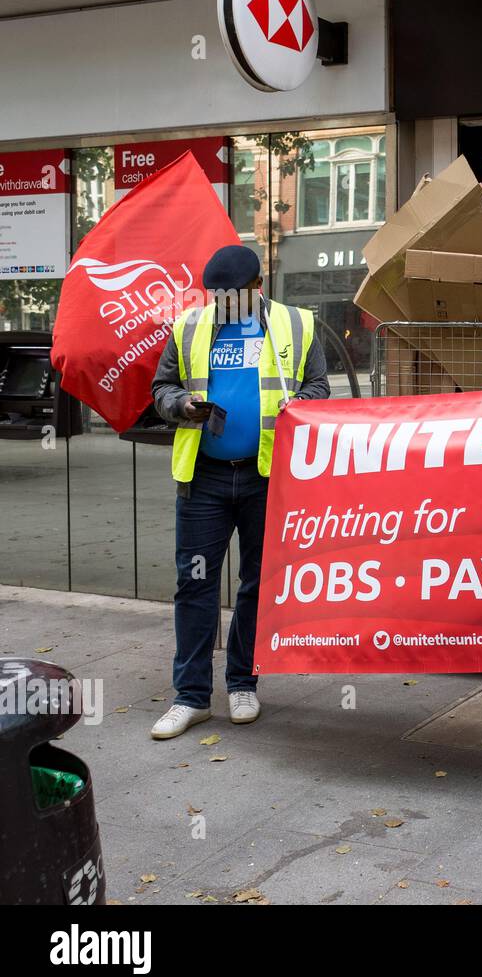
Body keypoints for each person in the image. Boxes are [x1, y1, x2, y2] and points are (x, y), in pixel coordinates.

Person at [148, 245, 330, 740]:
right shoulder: (188, 327)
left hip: (265, 476)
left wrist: (298, 404)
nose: (223, 307)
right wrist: (182, 404)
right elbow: (161, 388)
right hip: (204, 476)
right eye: (217, 298)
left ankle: (243, 683)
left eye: (233, 298)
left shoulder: (297, 324)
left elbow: (319, 387)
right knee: (195, 584)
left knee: (256, 583)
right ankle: (190, 697)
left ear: (257, 288)